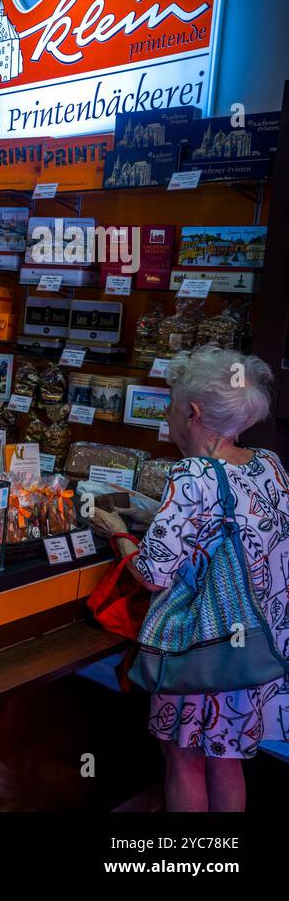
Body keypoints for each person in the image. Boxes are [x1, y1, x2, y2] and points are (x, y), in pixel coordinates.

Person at [90, 345, 289, 812]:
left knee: (184, 760)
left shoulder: (192, 474)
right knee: (227, 759)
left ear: (193, 412)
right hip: (257, 650)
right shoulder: (270, 465)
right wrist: (151, 514)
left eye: (173, 405)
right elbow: (233, 531)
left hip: (203, 649)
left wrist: (118, 532)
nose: (169, 414)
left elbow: (154, 574)